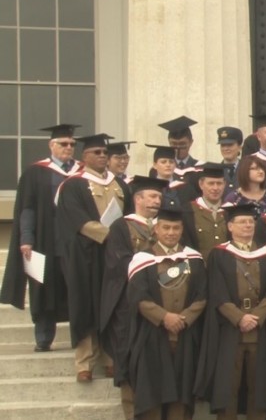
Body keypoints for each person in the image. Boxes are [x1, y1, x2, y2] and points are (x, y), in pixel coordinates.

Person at [196, 204, 266, 419]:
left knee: (259, 386)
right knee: (228, 387)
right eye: (242, 222)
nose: (248, 225)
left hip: (261, 329)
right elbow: (217, 291)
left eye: (251, 222)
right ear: (230, 226)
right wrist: (239, 318)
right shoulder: (219, 254)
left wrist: (257, 317)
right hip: (229, 330)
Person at [57, 133, 130, 382]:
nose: (101, 156)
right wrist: (111, 235)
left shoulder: (120, 185)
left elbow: (130, 215)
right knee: (86, 305)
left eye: (104, 153)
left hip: (115, 257)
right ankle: (84, 362)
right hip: (87, 256)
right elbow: (77, 219)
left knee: (112, 305)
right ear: (84, 156)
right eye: (96, 152)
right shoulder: (73, 185)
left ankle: (111, 358)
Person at [1, 124, 80, 353]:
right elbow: (27, 209)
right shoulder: (35, 172)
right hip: (46, 242)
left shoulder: (81, 172)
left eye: (72, 144)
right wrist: (26, 239)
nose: (68, 148)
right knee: (43, 290)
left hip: (74, 244)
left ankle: (80, 339)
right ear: (51, 145)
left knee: (76, 291)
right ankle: (44, 338)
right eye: (63, 144)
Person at [127, 207, 206, 420]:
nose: (171, 232)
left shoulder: (194, 259)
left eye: (176, 228)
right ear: (156, 229)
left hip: (186, 335)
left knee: (181, 394)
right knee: (152, 391)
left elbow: (202, 295)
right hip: (153, 335)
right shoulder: (143, 259)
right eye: (166, 227)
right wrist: (165, 317)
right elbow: (138, 297)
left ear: (182, 230)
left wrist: (185, 318)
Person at [101, 176, 167, 419]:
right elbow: (119, 265)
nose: (156, 201)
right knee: (131, 361)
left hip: (162, 303)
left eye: (159, 197)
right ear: (137, 199)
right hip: (128, 306)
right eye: (152, 196)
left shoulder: (167, 226)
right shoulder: (121, 227)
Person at [182, 163, 230, 259]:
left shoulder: (230, 211)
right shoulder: (188, 211)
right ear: (201, 184)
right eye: (211, 183)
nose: (215, 188)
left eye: (219, 183)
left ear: (224, 184)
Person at [146, 144, 195, 209]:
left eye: (171, 162)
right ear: (155, 165)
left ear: (175, 165)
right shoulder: (148, 187)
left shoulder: (185, 187)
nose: (168, 165)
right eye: (163, 162)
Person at [216, 126, 243, 197]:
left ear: (239, 147)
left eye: (230, 145)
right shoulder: (215, 170)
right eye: (223, 145)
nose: (226, 148)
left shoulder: (247, 169)